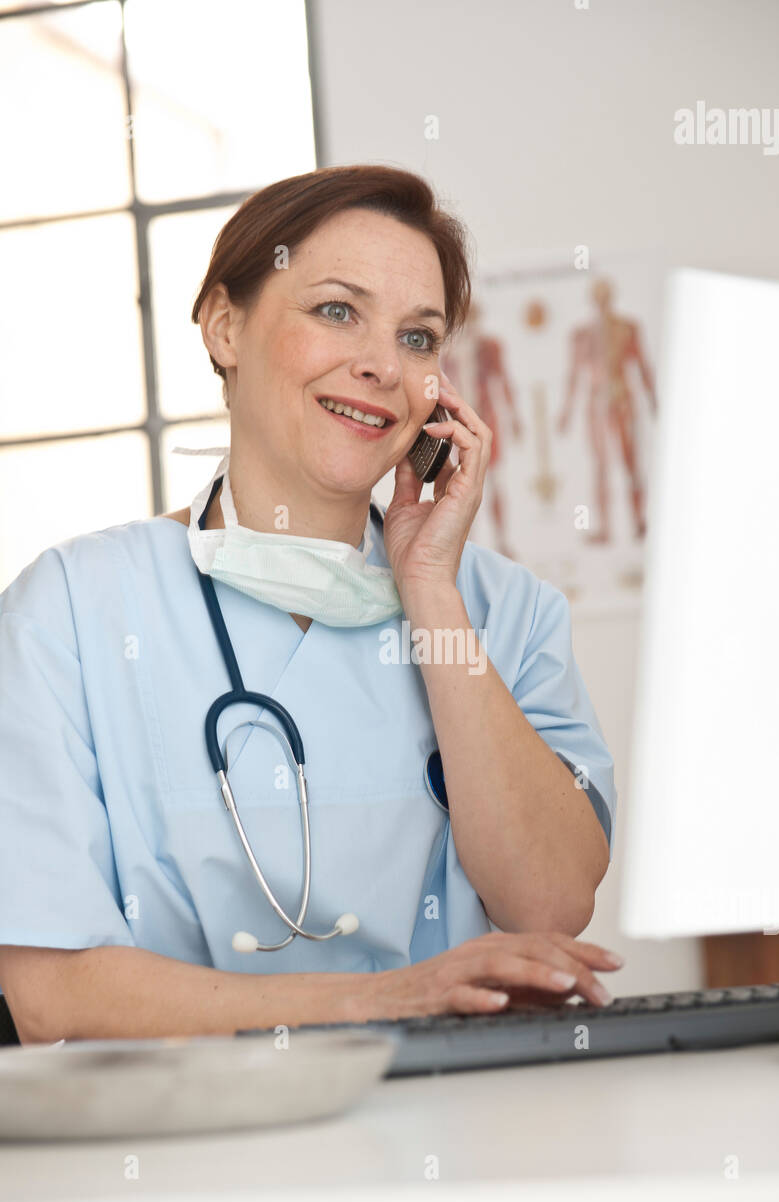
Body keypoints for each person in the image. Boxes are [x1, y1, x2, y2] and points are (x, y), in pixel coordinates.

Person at [0, 165, 620, 1045]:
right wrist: (385, 1000)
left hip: (468, 1135)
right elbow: (51, 994)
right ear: (225, 326)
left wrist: (431, 592)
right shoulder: (68, 613)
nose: (379, 364)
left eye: (418, 337)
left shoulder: (504, 610)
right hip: (192, 1147)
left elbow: (552, 903)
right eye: (337, 311)